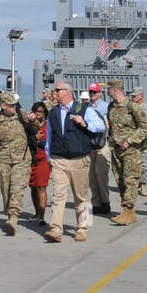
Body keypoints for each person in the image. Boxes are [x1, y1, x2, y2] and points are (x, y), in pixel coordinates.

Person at [44, 79, 105, 244]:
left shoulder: (84, 109)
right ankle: (56, 229)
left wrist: (84, 124)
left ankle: (82, 228)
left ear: (66, 92)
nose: (54, 93)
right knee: (58, 196)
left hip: (79, 160)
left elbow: (101, 126)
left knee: (81, 196)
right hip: (59, 160)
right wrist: (49, 157)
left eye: (57, 90)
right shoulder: (53, 113)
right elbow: (49, 137)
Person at [0, 92, 32, 234]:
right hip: (3, 160)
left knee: (17, 188)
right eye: (11, 105)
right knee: (6, 189)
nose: (14, 106)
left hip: (22, 158)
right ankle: (10, 215)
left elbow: (35, 127)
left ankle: (14, 217)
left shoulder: (21, 115)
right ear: (3, 106)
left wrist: (34, 120)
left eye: (15, 104)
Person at [106, 79, 147, 226]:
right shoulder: (111, 107)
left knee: (130, 180)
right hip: (116, 150)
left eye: (109, 89)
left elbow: (143, 130)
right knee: (120, 180)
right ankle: (129, 211)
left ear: (114, 90)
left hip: (130, 151)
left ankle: (127, 210)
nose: (108, 91)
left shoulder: (132, 107)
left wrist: (129, 141)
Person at [86, 82, 111, 216]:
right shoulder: (84, 106)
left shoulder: (106, 107)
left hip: (102, 144)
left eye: (94, 92)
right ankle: (96, 202)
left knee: (101, 173)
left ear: (100, 93)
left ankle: (105, 202)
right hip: (90, 144)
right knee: (91, 175)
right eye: (90, 92)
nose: (92, 94)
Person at [28, 101, 50, 223]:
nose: (38, 114)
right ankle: (36, 214)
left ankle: (41, 217)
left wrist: (39, 142)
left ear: (44, 113)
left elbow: (50, 142)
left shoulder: (48, 126)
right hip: (31, 158)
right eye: (36, 112)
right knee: (32, 187)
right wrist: (34, 139)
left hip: (43, 159)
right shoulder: (29, 125)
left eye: (41, 112)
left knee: (41, 187)